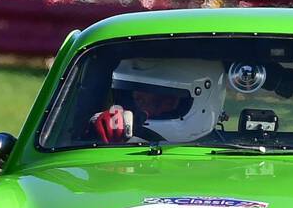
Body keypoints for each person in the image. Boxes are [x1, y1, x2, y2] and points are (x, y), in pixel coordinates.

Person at [89, 59, 227, 144]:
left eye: (159, 101)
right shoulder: (108, 140)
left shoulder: (227, 169)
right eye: (137, 100)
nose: (145, 111)